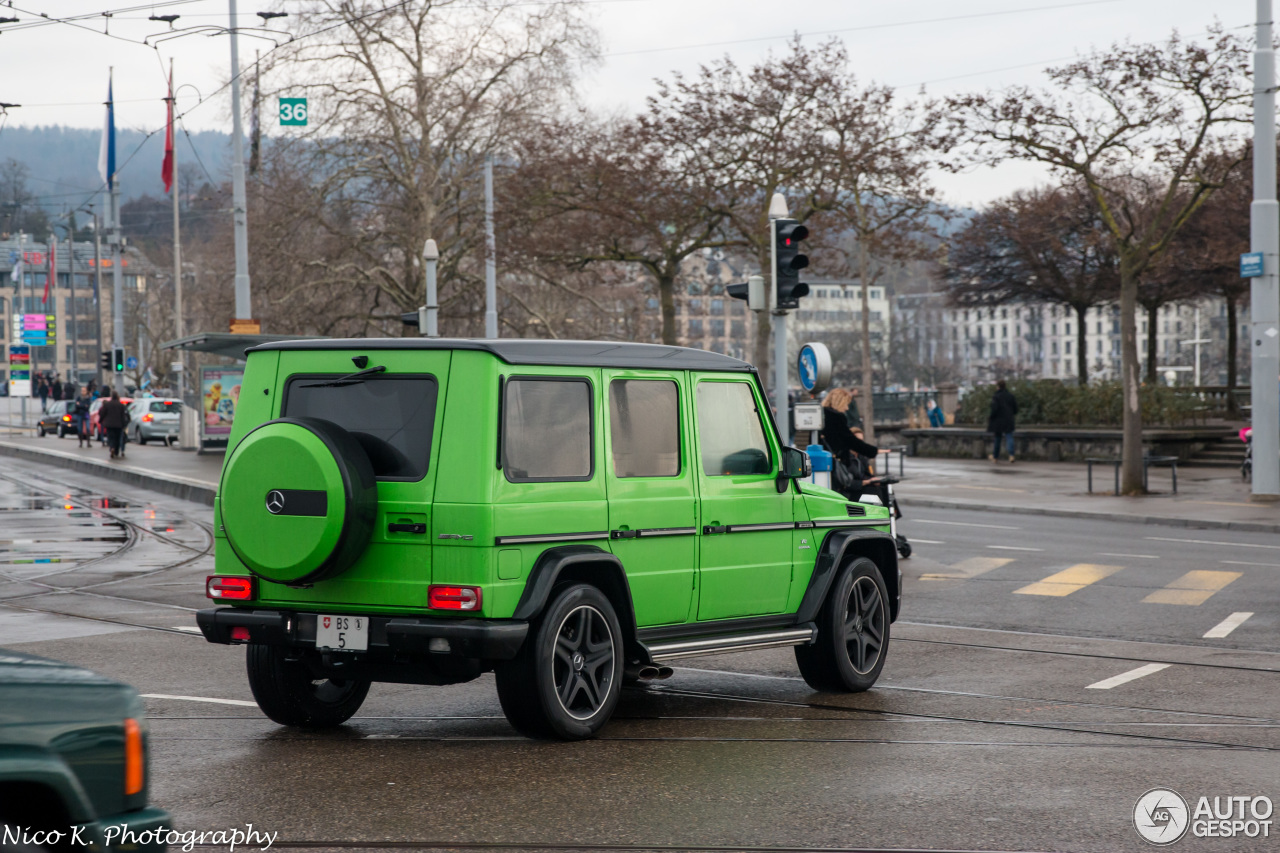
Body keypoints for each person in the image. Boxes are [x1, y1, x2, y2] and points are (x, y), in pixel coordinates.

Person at [988, 379, 1018, 463]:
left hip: (998, 420)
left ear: (998, 387)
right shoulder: (1010, 396)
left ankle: (995, 457)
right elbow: (1016, 409)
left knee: (998, 438)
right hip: (1009, 419)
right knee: (1009, 436)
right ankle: (1011, 455)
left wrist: (991, 417)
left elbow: (994, 409)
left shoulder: (996, 397)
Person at [100, 390, 130, 459]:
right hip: (118, 425)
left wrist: (101, 421)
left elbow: (102, 414)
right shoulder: (120, 405)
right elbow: (123, 416)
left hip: (109, 424)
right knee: (117, 438)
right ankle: (116, 451)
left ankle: (111, 447)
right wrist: (124, 424)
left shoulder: (107, 404)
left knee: (111, 437)